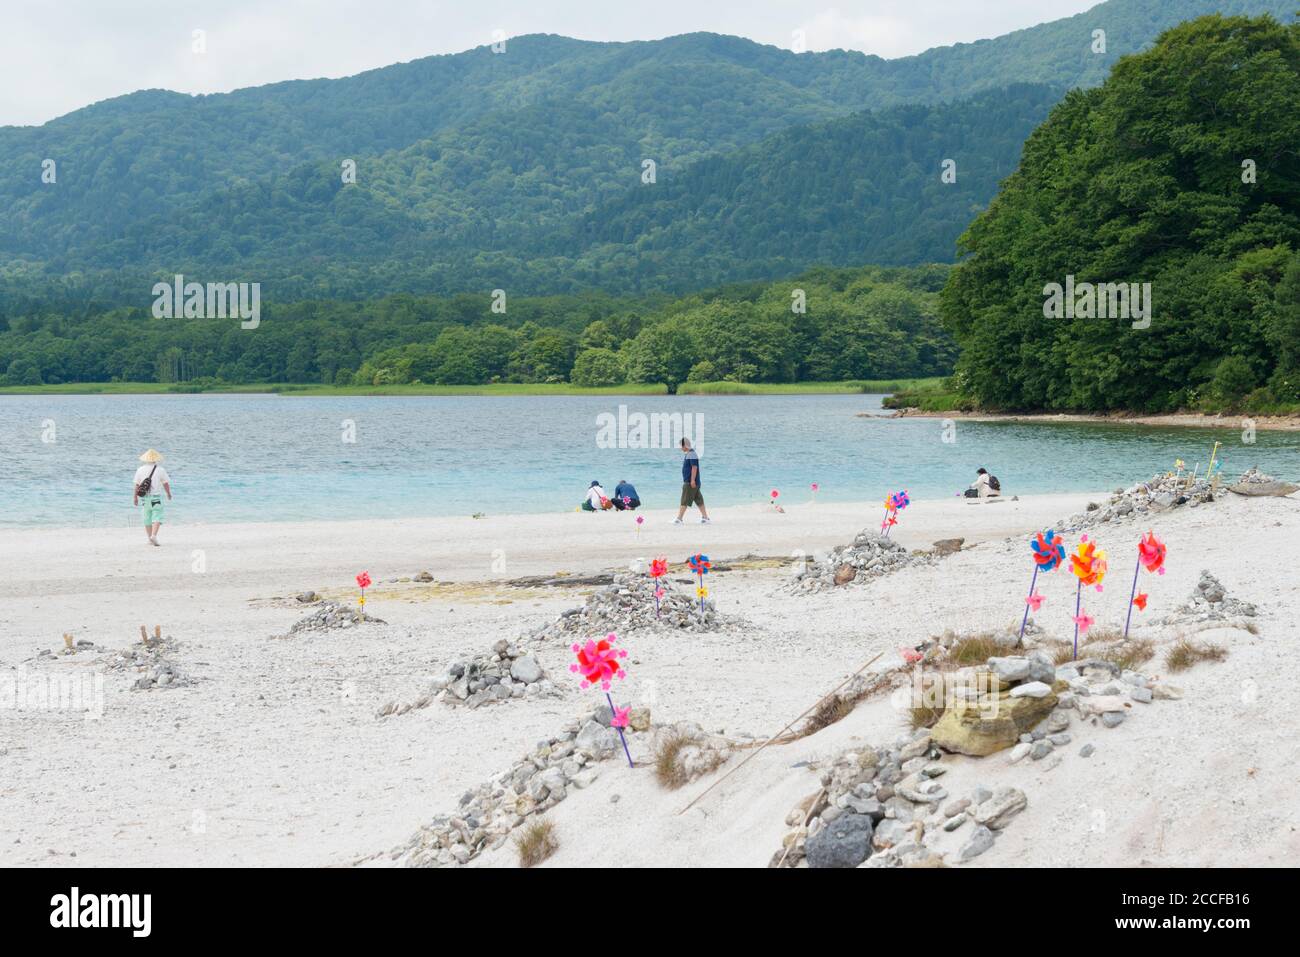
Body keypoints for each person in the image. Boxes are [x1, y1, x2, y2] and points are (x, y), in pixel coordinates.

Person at [133, 449, 173, 546]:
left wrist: (135, 497)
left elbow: (137, 485)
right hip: (155, 498)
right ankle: (154, 536)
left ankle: (149, 538)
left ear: (145, 459)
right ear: (156, 459)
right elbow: (165, 483)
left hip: (145, 499)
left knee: (147, 518)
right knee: (157, 516)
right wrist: (168, 493)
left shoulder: (140, 469)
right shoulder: (160, 470)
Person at [674, 437, 710, 525]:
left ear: (685, 445)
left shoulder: (691, 454)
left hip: (690, 482)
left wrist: (692, 480)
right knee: (698, 500)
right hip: (693, 482)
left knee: (684, 500)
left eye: (681, 446)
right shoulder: (690, 454)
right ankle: (705, 518)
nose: (680, 448)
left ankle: (679, 519)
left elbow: (694, 467)